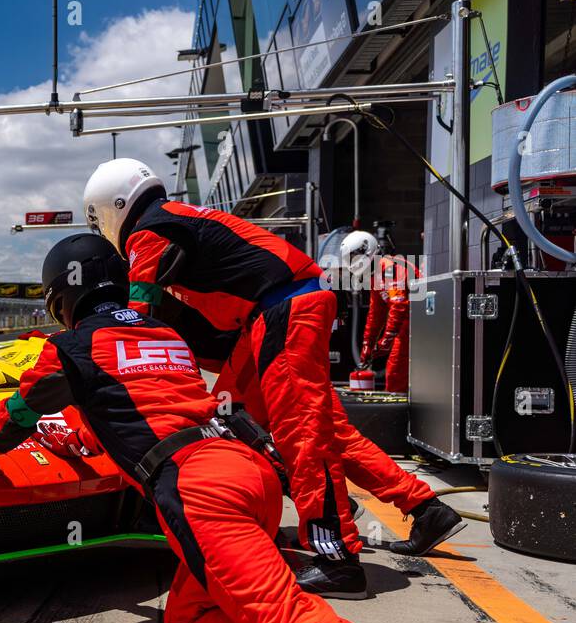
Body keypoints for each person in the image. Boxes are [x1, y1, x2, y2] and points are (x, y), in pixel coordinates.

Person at [0, 233, 549, 623]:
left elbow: (12, 419)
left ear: (61, 298)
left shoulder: (66, 348)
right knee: (186, 619)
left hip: (199, 490)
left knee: (287, 618)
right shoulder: (161, 338)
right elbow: (141, 405)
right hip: (247, 472)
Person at [82, 158, 463, 599]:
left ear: (110, 208)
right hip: (274, 313)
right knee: (244, 414)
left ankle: (337, 558)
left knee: (301, 431)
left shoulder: (148, 232)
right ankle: (422, 506)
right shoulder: (176, 218)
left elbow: (136, 323)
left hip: (282, 309)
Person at [343, 229, 414, 394]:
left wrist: (386, 339)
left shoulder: (393, 267)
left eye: (354, 256)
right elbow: (376, 315)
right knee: (395, 373)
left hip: (416, 325)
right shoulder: (376, 276)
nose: (352, 261)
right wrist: (367, 345)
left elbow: (399, 305)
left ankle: (398, 415)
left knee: (396, 373)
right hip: (406, 327)